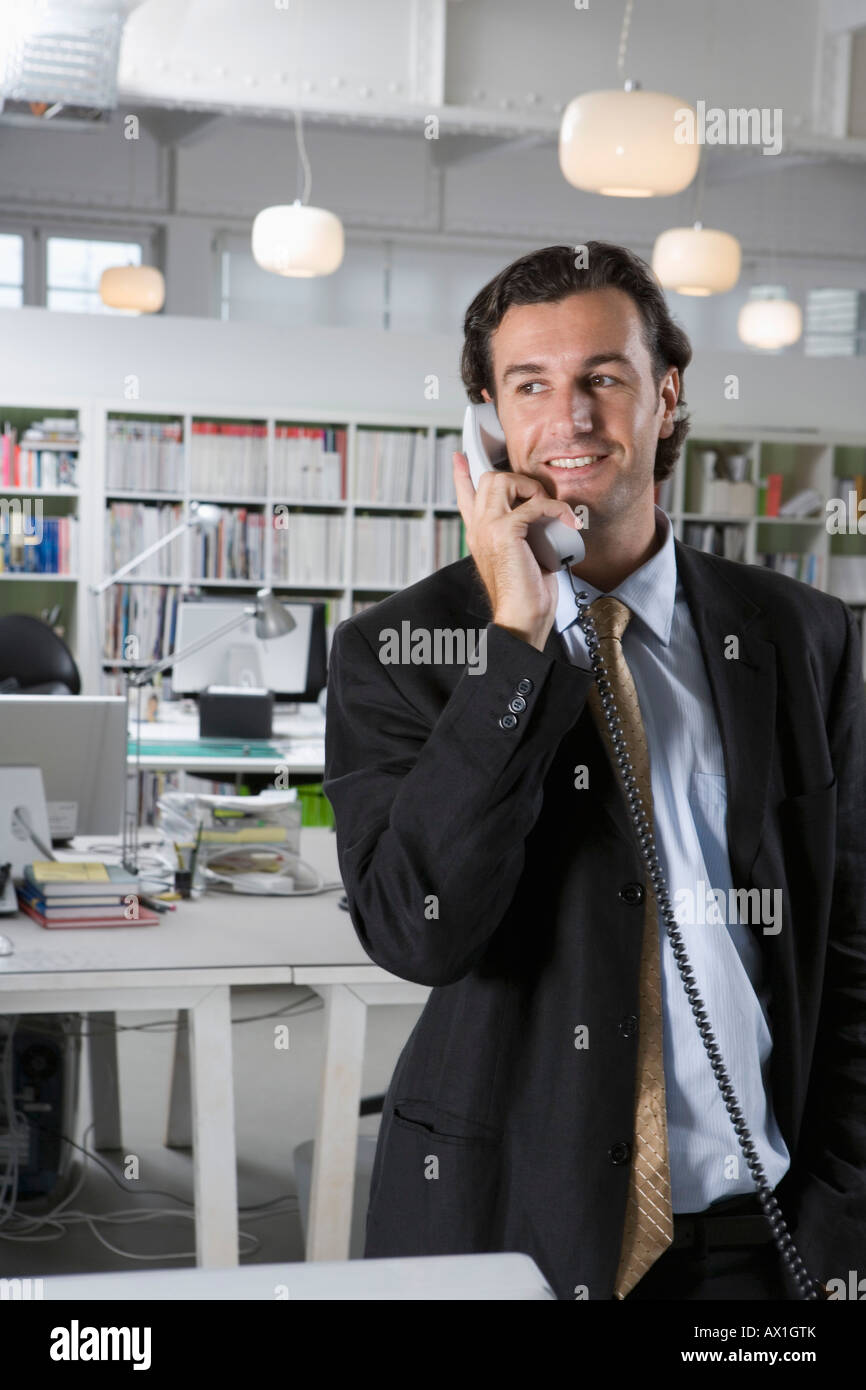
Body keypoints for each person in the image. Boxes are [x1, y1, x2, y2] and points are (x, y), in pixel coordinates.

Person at [322, 242, 866, 1301]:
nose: (568, 417)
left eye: (601, 379)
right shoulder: (397, 649)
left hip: (764, 1228)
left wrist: (840, 1203)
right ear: (487, 415)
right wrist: (517, 647)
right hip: (506, 1215)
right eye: (529, 384)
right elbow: (416, 930)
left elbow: (849, 931)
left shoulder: (801, 634)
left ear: (663, 394)